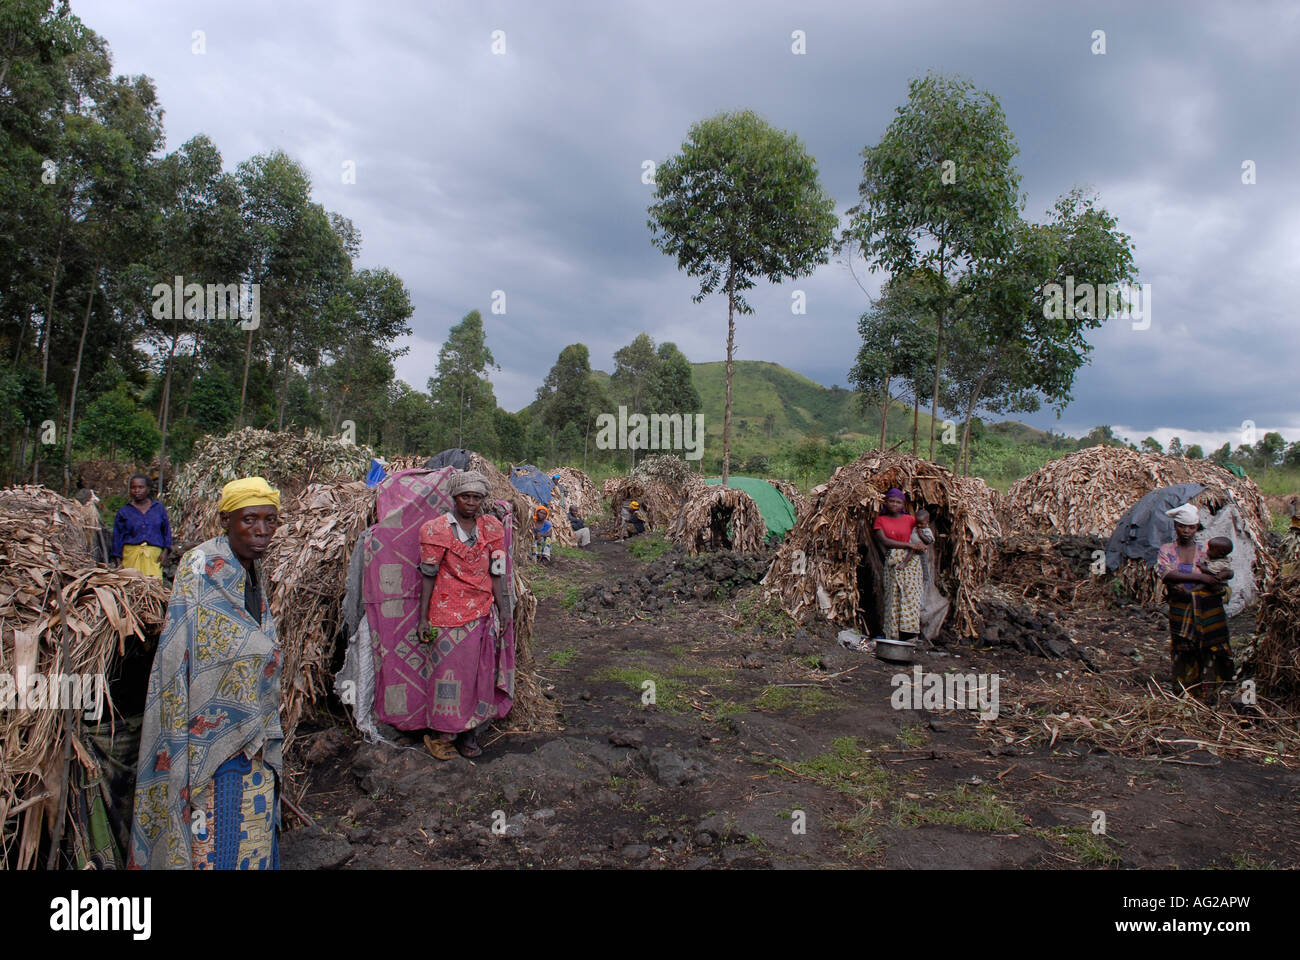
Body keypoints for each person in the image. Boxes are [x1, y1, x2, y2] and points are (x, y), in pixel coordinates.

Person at [130, 476, 283, 869]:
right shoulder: (201, 566)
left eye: (270, 520)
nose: (262, 531)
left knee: (249, 826)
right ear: (225, 520)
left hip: (250, 732)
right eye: (250, 519)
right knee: (210, 835)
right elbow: (200, 647)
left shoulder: (250, 570)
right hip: (203, 732)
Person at [417, 470, 514, 761]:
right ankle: (443, 734)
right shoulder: (436, 530)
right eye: (465, 496)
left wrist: (503, 606)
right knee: (448, 676)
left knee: (478, 675)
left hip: (481, 612)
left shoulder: (492, 529)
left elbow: (497, 572)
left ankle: (470, 731)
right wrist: (423, 618)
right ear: (455, 498)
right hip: (446, 615)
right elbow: (428, 577)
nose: (471, 502)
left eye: (476, 497)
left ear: (483, 499)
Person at [1156, 503, 1234, 701]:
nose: (1186, 531)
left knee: (1211, 649)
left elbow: (1221, 573)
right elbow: (1167, 574)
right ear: (1175, 526)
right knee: (1184, 648)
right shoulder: (1167, 550)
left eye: (1191, 527)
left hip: (1207, 609)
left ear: (1197, 527)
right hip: (1181, 609)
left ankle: (1211, 692)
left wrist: (1202, 580)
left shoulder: (1206, 551)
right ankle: (1185, 692)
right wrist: (1201, 579)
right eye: (1182, 526)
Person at [872, 488, 927, 642]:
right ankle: (892, 633)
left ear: (903, 504)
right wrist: (909, 546)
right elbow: (884, 540)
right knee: (893, 596)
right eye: (891, 501)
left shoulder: (910, 519)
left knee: (911, 596)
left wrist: (920, 544)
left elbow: (920, 534)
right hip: (893, 560)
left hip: (912, 562)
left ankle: (909, 634)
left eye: (898, 502)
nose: (894, 504)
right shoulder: (880, 520)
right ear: (886, 502)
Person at [111, 475, 173, 577]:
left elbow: (166, 532)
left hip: (153, 557)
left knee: (154, 586)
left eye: (141, 487)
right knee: (132, 587)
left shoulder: (158, 509)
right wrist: (118, 561)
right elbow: (117, 538)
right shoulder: (124, 512)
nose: (137, 491)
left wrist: (165, 552)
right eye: (133, 488)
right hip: (131, 556)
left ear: (148, 489)